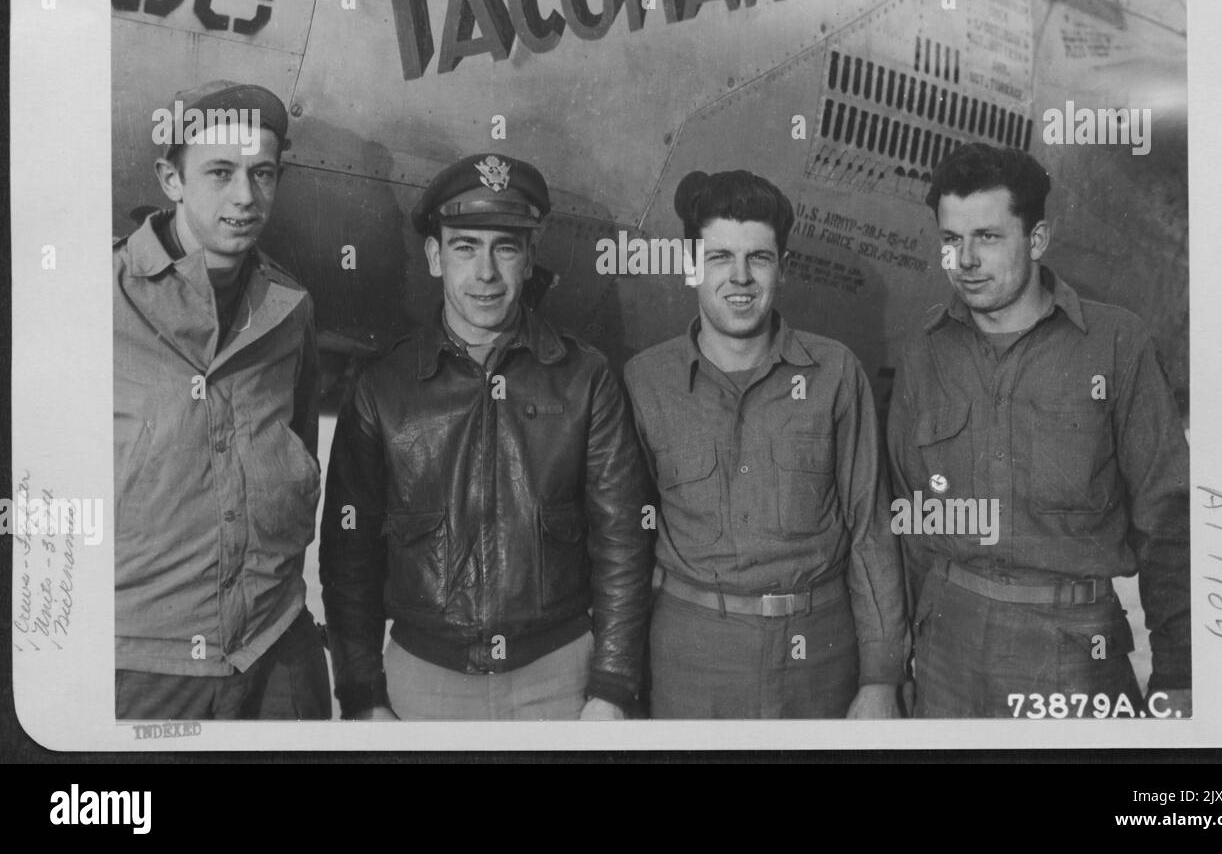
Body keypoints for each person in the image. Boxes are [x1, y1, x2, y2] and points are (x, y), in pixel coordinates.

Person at [321, 153, 654, 720]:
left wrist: (613, 688)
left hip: (558, 677)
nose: (485, 274)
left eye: (505, 246)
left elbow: (623, 542)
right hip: (425, 681)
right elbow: (350, 556)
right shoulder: (382, 387)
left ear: (530, 258)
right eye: (465, 246)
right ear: (434, 256)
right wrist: (361, 695)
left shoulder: (586, 378)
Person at [887, 142, 1190, 719]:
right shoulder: (923, 351)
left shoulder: (1116, 343)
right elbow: (909, 523)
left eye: (989, 237)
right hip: (947, 649)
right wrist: (902, 661)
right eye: (952, 240)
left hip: (1074, 653)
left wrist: (1179, 672)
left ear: (1038, 240)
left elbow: (1169, 520)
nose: (966, 260)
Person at [622, 170, 907, 719]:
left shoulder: (835, 374)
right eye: (720, 257)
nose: (740, 278)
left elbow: (871, 532)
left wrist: (880, 679)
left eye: (760, 258)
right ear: (691, 267)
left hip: (820, 656)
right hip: (692, 657)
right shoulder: (645, 382)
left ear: (784, 268)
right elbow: (623, 547)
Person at [114, 80, 329, 720]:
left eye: (263, 173)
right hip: (146, 659)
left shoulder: (290, 307)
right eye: (220, 172)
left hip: (276, 643)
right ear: (170, 180)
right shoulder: (98, 298)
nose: (245, 196)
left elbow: (299, 446)